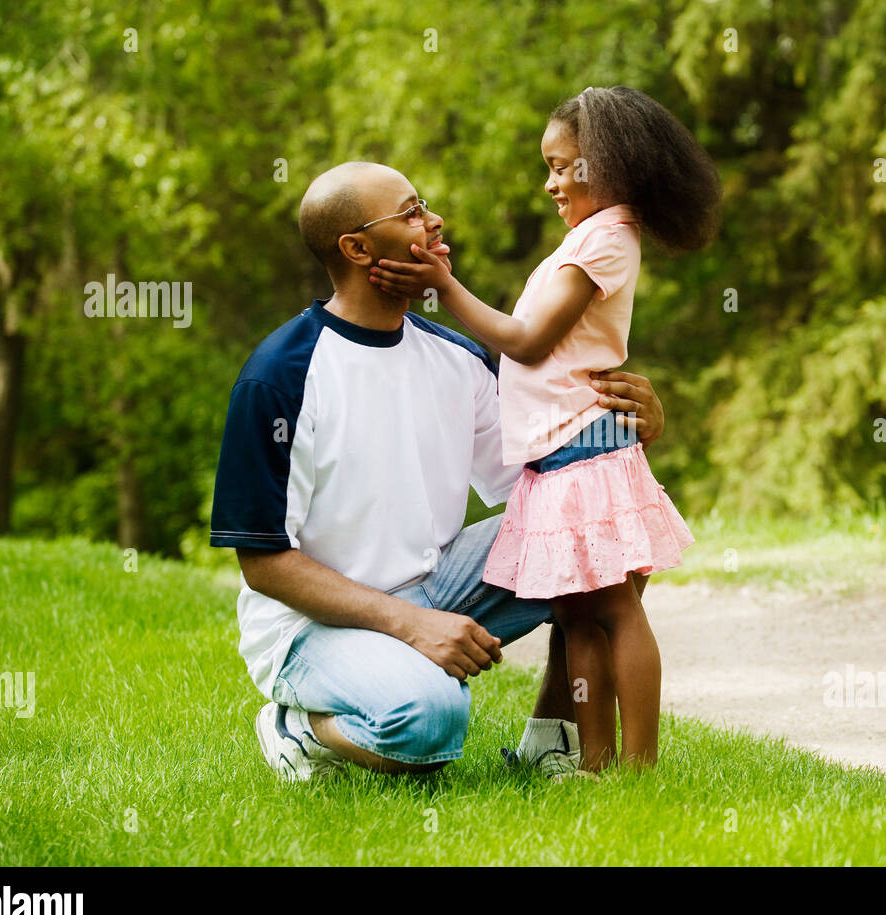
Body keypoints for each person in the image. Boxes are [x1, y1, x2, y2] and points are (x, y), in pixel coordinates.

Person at [209, 160, 668, 780]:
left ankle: (549, 741)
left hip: (442, 584)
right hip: (312, 626)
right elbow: (263, 562)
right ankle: (296, 726)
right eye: (411, 213)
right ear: (357, 247)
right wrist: (412, 626)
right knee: (429, 721)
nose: (434, 221)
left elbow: (564, 479)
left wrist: (634, 425)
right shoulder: (280, 378)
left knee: (602, 545)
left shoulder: (458, 359)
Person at [370, 86, 720, 771]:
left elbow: (527, 342)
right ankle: (591, 765)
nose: (550, 183)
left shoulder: (609, 239)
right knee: (577, 616)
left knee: (614, 608)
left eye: (564, 166)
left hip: (584, 451)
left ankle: (640, 767)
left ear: (611, 164)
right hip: (558, 456)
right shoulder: (587, 239)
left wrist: (445, 285)